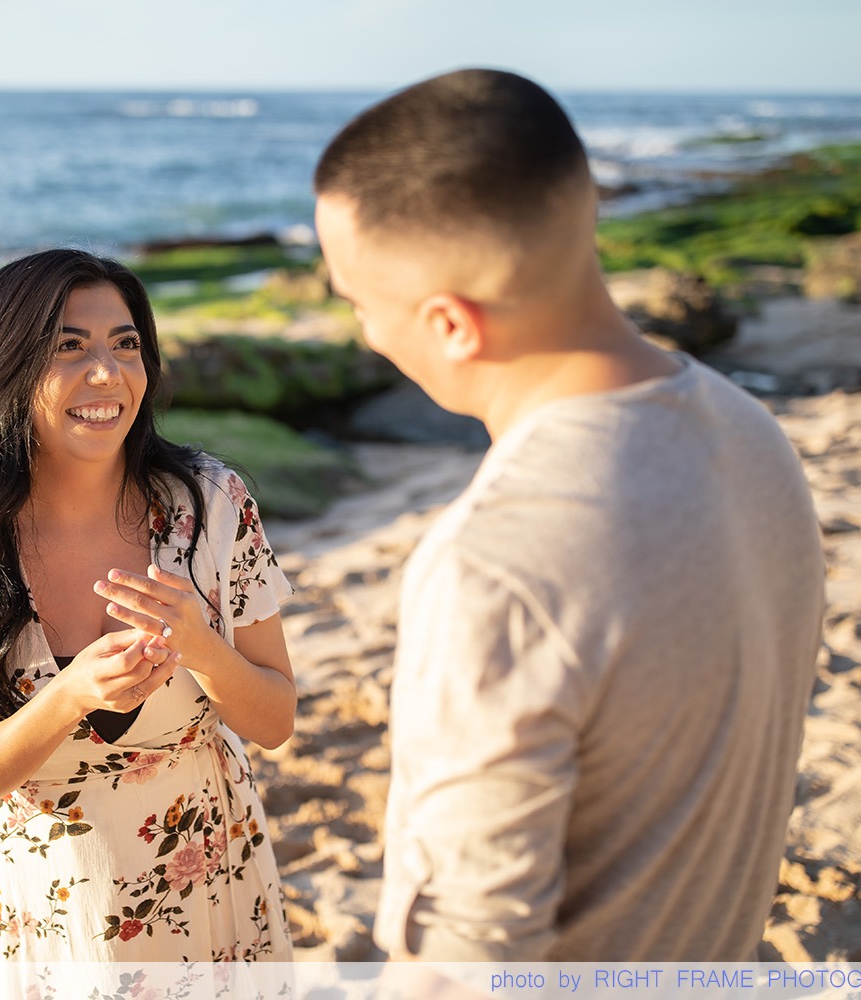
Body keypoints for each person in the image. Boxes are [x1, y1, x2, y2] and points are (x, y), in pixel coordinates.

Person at [313, 69, 826, 961]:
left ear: (450, 325)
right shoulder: (751, 434)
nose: (365, 333)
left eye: (359, 302)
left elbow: (470, 956)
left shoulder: (495, 563)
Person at [0, 249, 296, 987]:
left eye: (125, 344)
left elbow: (274, 720)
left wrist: (201, 646)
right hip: (54, 909)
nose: (108, 373)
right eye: (69, 346)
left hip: (214, 887)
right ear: (5, 365)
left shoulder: (210, 505)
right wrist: (70, 698)